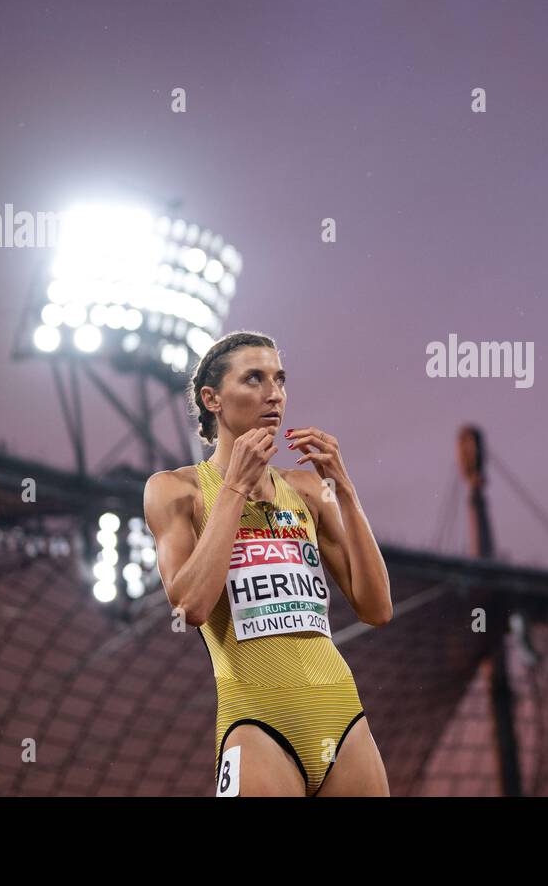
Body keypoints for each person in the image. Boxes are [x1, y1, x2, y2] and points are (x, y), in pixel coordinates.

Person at [143, 331, 392, 796]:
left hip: (343, 716)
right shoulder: (177, 490)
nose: (273, 393)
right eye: (254, 379)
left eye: (279, 379)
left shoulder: (307, 490)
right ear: (211, 398)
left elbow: (377, 609)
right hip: (257, 724)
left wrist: (345, 490)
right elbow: (191, 607)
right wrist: (234, 487)